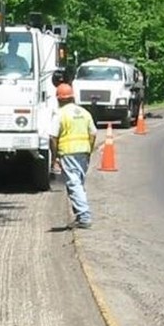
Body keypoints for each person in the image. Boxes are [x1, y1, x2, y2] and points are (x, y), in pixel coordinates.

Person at [50, 82, 97, 229]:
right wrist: (89, 150)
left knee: (73, 183)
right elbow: (93, 133)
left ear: (59, 99)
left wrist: (54, 157)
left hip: (68, 152)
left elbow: (52, 137)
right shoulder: (84, 112)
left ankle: (84, 216)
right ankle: (80, 215)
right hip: (83, 152)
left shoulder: (60, 114)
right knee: (78, 183)